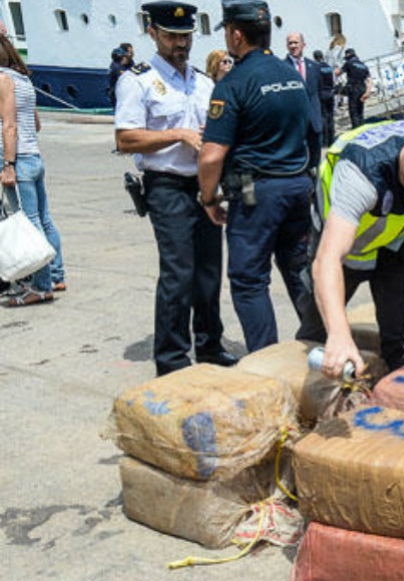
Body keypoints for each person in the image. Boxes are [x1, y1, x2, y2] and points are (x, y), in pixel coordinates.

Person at [113, 2, 234, 371]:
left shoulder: (203, 81)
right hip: (166, 184)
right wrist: (178, 135)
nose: (180, 43)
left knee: (210, 270)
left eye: (186, 36)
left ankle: (210, 344)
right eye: (172, 36)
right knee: (179, 271)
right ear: (153, 33)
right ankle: (171, 356)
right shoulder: (138, 80)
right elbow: (126, 139)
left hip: (203, 184)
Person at [299, 121, 404, 376]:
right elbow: (328, 260)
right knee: (319, 329)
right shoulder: (362, 175)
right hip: (346, 238)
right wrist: (339, 335)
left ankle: (402, 392)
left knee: (401, 332)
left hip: (396, 240)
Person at [198, 0, 317, 353]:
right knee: (298, 270)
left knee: (249, 280)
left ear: (236, 35)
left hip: (257, 194)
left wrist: (208, 198)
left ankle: (266, 362)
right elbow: (311, 131)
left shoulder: (233, 83)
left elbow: (211, 155)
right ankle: (322, 343)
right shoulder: (291, 76)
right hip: (298, 186)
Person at [0, 34, 60, 307]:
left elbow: (9, 125)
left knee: (29, 222)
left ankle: (40, 286)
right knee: (44, 219)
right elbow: (34, 124)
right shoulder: (23, 80)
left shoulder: (2, 80)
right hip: (34, 156)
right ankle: (56, 275)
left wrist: (9, 164)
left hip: (18, 160)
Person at [285, 32, 324, 164]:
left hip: (314, 122)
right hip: (295, 124)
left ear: (303, 45)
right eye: (290, 43)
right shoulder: (282, 68)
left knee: (316, 160)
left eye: (296, 42)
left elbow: (319, 92)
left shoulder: (314, 66)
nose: (293, 46)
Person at [338, 48, 372, 129]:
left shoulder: (349, 63)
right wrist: (367, 92)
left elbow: (338, 73)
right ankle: (363, 130)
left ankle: (357, 131)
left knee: (354, 112)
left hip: (353, 89)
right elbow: (369, 80)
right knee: (360, 111)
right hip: (362, 89)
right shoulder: (363, 65)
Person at [313, 49, 335, 145]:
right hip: (330, 93)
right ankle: (332, 139)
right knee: (330, 116)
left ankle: (325, 141)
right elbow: (333, 80)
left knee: (323, 117)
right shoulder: (329, 67)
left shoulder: (315, 68)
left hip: (321, 94)